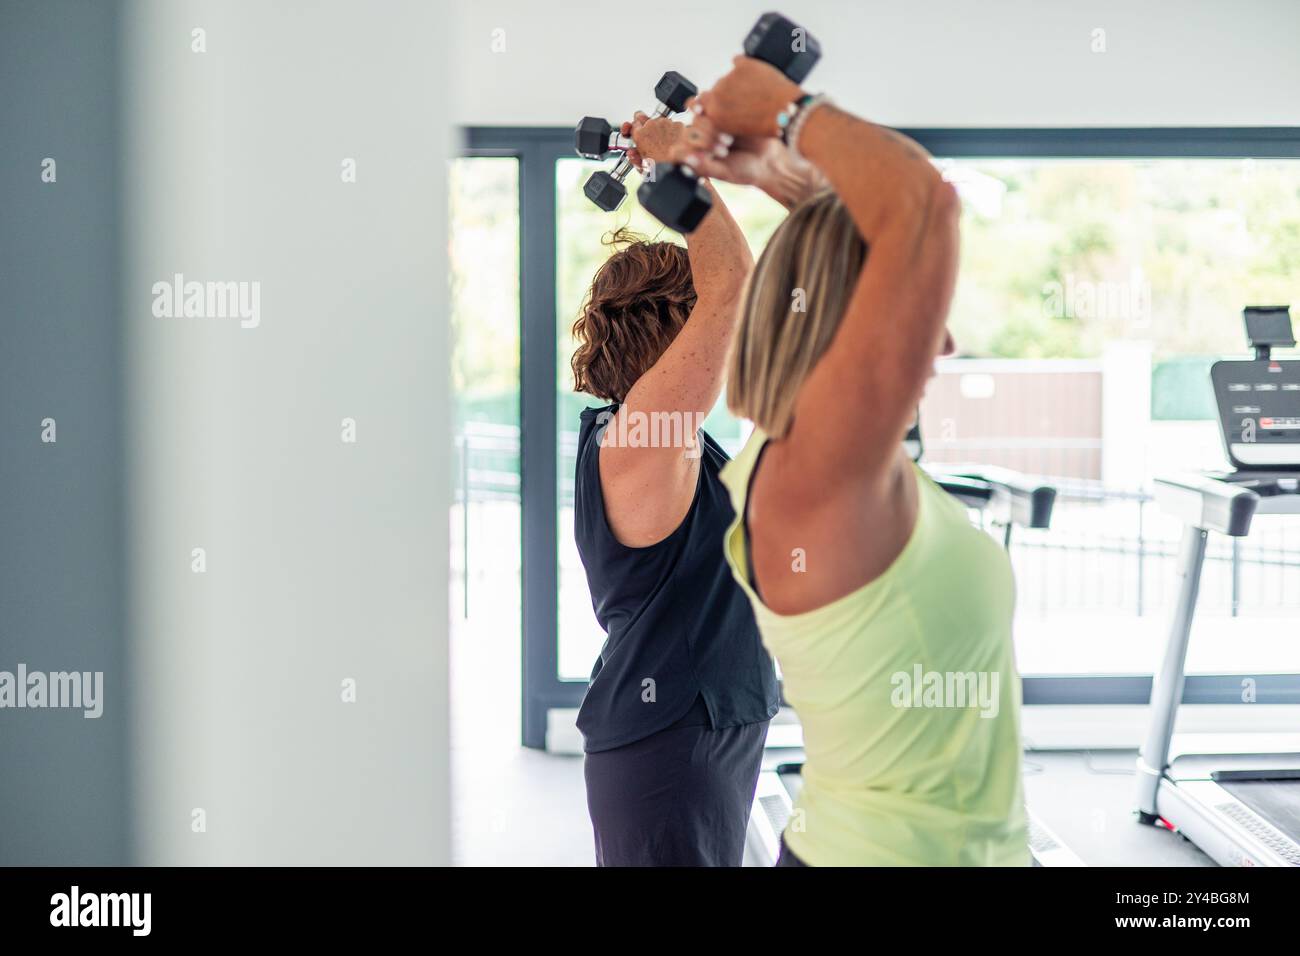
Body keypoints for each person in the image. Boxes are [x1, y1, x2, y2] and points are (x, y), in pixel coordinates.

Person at [681, 58, 1030, 866]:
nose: (937, 344)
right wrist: (789, 108)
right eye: (912, 320)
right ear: (841, 330)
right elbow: (922, 204)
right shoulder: (821, 475)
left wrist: (774, 167)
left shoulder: (804, 451)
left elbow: (858, 235)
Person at [569, 112, 823, 866]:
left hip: (712, 725)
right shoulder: (637, 443)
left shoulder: (689, 447)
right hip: (665, 742)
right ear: (676, 333)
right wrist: (678, 170)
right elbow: (736, 289)